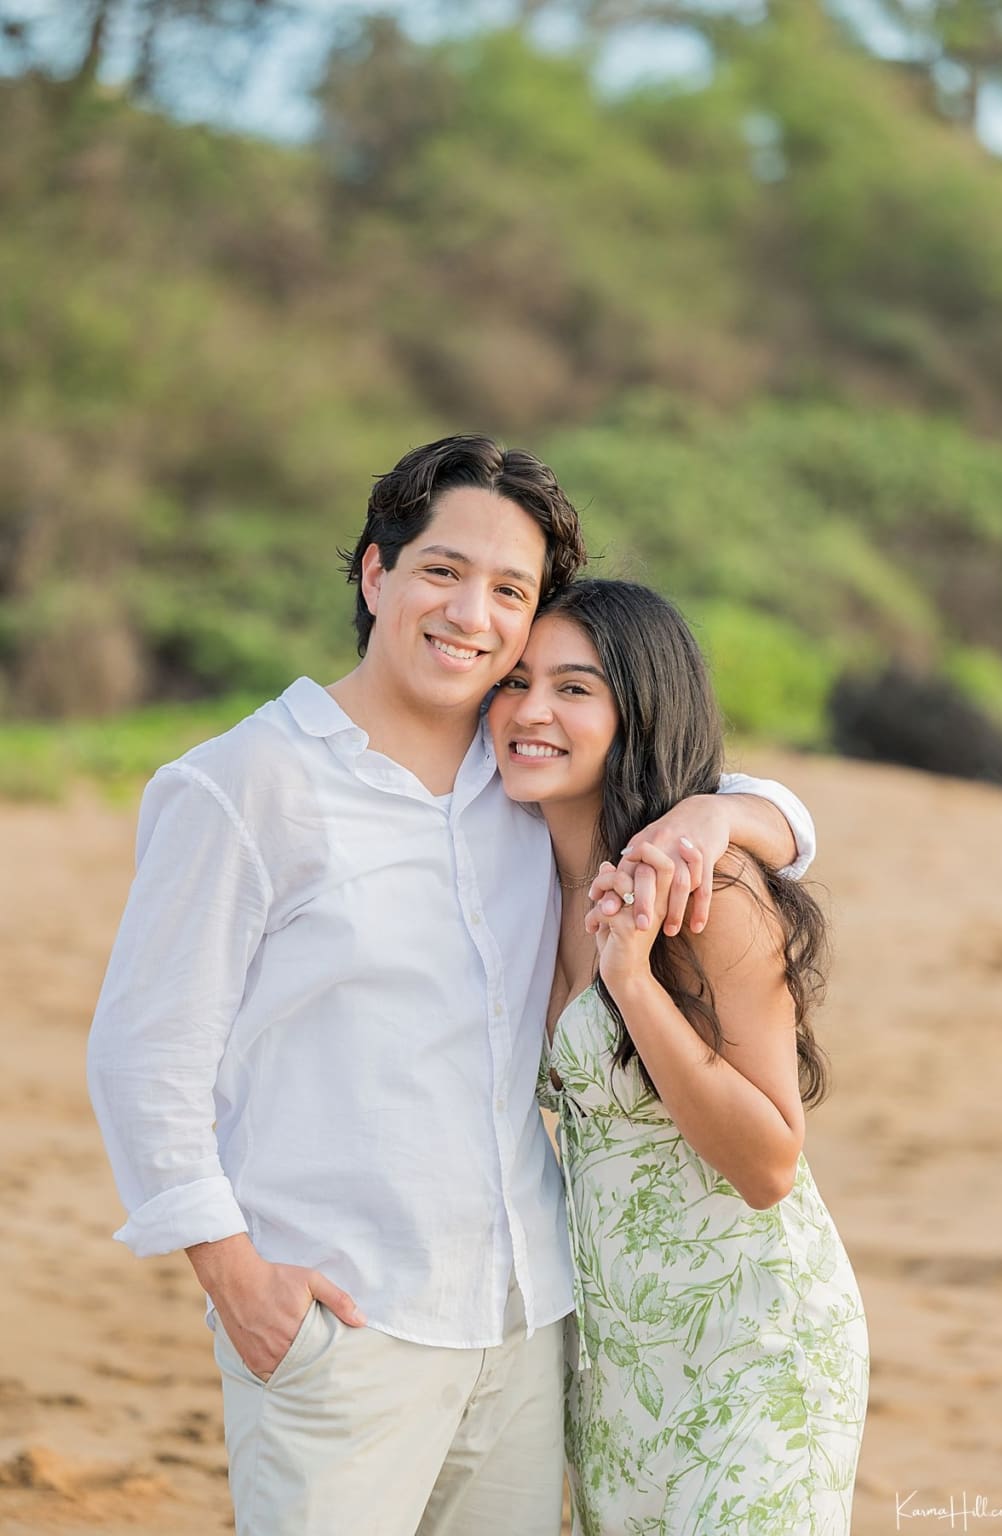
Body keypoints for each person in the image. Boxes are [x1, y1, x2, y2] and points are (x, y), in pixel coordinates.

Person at [87, 436, 818, 1536]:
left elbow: (694, 778)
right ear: (377, 574)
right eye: (441, 570)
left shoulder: (516, 774)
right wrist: (234, 1277)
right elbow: (145, 1055)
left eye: (508, 591)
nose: (470, 612)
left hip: (529, 1327)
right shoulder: (245, 785)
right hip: (341, 1325)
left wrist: (724, 813)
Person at [488, 578, 868, 1536]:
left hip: (755, 1346)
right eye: (516, 681)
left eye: (575, 690)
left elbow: (770, 1161)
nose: (532, 711)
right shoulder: (513, 881)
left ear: (639, 714)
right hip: (617, 1364)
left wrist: (634, 986)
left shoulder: (709, 890)